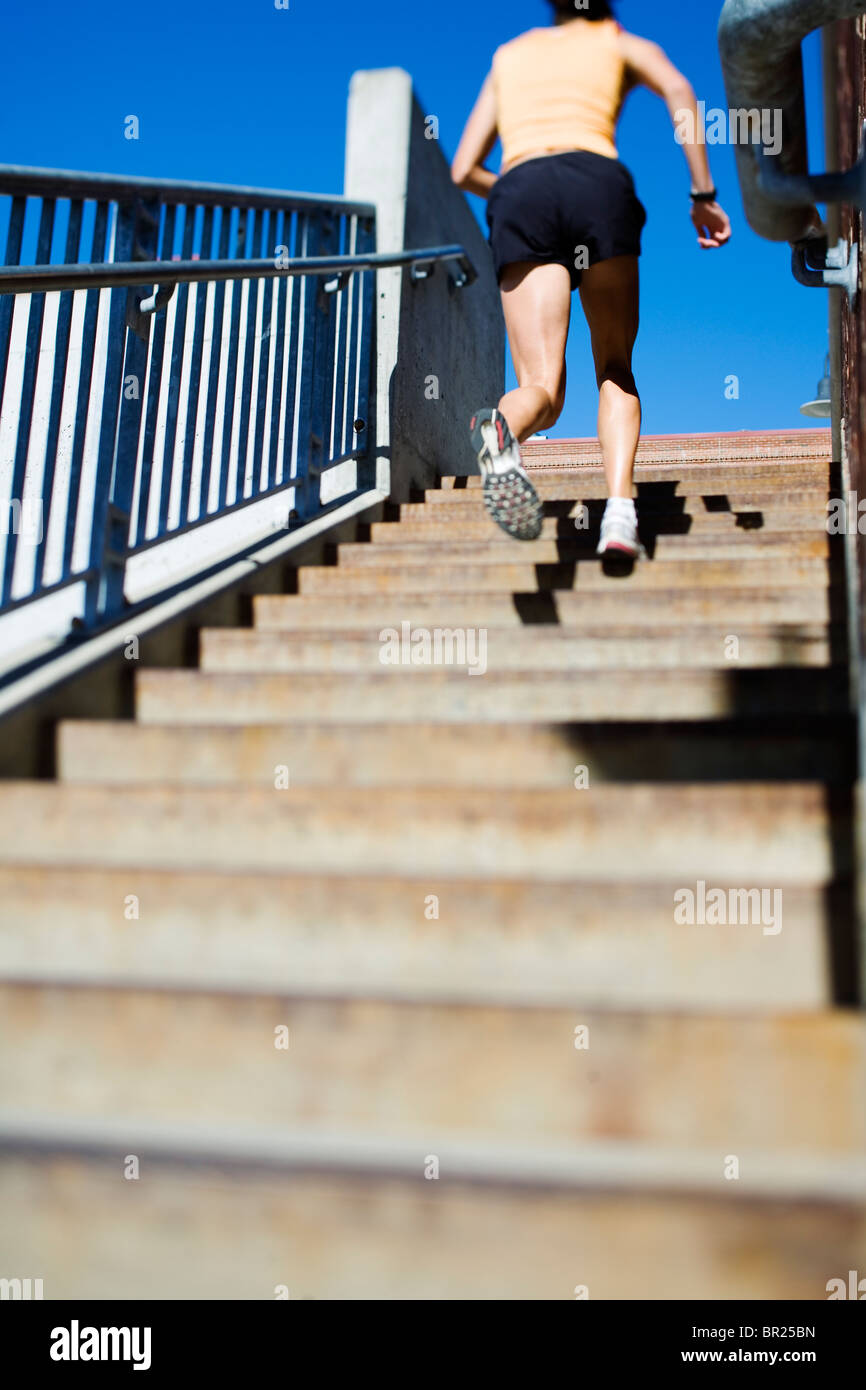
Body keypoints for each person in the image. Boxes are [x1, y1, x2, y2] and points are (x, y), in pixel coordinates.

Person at [451, 0, 732, 554]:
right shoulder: (618, 40)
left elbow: (463, 169)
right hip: (596, 185)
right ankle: (621, 515)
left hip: (521, 189)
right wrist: (703, 195)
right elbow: (679, 92)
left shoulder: (510, 54)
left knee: (542, 388)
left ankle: (500, 432)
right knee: (614, 368)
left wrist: (515, 190)